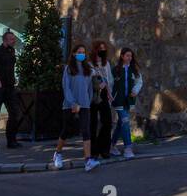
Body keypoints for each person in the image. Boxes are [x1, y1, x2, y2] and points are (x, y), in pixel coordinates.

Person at [54, 43, 100, 171]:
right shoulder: (69, 68)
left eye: (83, 52)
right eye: (79, 52)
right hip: (70, 104)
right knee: (66, 130)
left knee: (86, 131)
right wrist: (73, 102)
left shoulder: (88, 69)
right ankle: (58, 153)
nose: (81, 54)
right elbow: (66, 87)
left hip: (85, 105)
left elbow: (90, 87)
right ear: (74, 53)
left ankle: (88, 160)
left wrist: (88, 101)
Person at [110, 47, 143, 158]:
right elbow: (110, 84)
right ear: (122, 56)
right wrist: (110, 97)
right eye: (127, 55)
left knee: (121, 123)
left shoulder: (134, 70)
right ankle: (128, 148)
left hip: (128, 101)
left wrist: (135, 90)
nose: (129, 58)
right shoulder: (115, 70)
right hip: (118, 100)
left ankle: (112, 145)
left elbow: (139, 82)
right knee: (125, 120)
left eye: (131, 56)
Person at [89, 40, 114, 159]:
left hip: (103, 94)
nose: (102, 50)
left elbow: (108, 80)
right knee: (93, 123)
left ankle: (104, 149)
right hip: (92, 95)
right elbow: (88, 80)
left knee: (107, 122)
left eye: (104, 48)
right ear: (95, 50)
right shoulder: (89, 64)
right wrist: (97, 85)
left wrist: (109, 93)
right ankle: (93, 151)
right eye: (100, 48)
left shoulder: (106, 64)